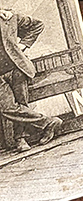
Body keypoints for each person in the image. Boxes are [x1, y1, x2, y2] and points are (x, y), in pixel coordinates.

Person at [0, 8, 62, 153]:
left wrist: (23, 45)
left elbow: (37, 25)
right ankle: (47, 122)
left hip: (17, 69)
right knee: (7, 108)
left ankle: (20, 140)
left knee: (22, 103)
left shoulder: (8, 17)